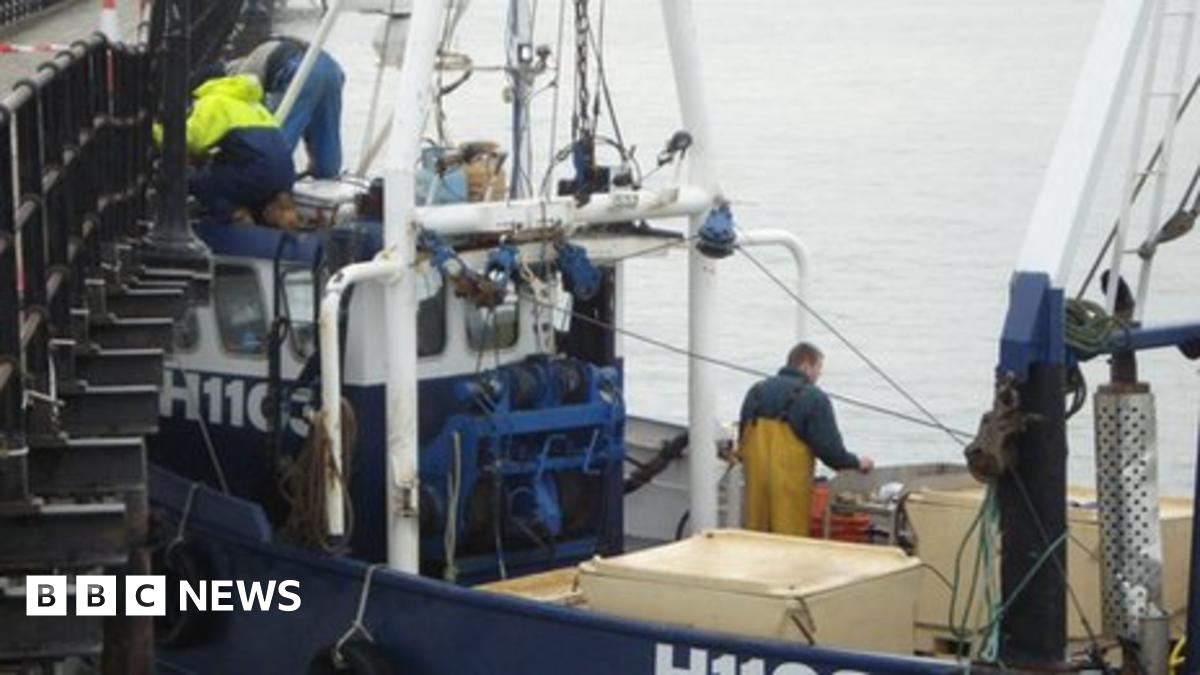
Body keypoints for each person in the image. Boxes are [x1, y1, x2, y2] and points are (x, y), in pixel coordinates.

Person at [738, 342, 874, 536]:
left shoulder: (756, 391)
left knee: (756, 544)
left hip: (756, 495)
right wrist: (857, 462)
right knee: (789, 549)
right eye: (818, 369)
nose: (818, 376)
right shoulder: (814, 398)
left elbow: (743, 439)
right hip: (789, 498)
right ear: (806, 366)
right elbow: (831, 452)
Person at [181, 72, 296, 223]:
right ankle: (273, 222)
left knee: (200, 182)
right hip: (285, 176)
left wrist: (155, 132)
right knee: (239, 181)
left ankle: (235, 217)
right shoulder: (256, 107)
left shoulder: (213, 101)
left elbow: (192, 139)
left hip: (255, 174)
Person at [235, 37, 344, 178]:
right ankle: (327, 173)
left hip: (298, 70)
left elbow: (254, 120)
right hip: (332, 69)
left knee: (279, 135)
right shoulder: (266, 49)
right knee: (326, 129)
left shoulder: (240, 75)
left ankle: (271, 178)